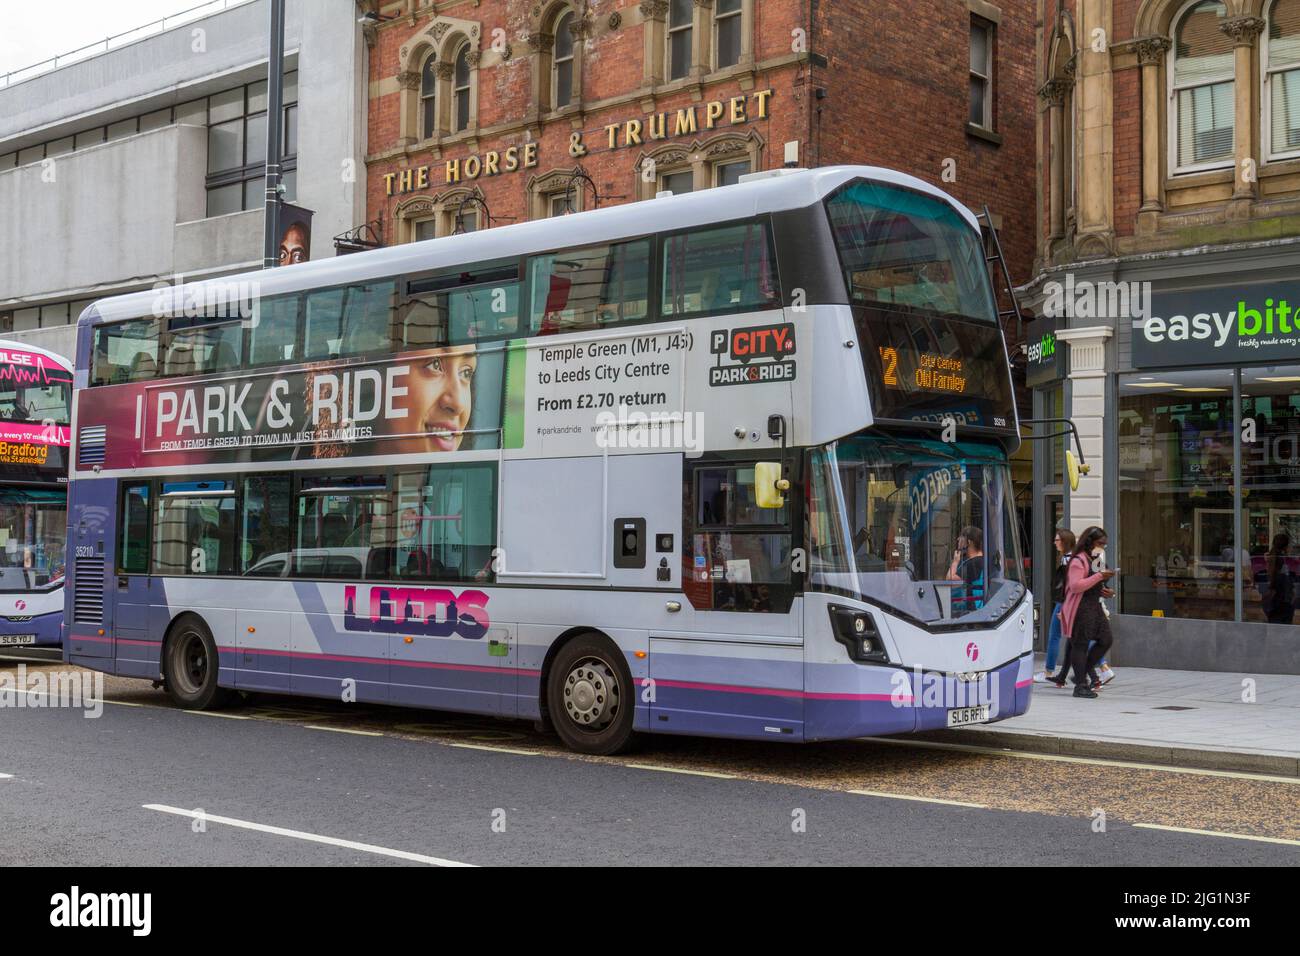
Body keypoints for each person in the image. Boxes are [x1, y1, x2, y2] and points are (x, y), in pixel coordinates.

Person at [1060, 526, 1117, 699]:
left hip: (1094, 606)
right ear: (1090, 541)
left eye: (1105, 545)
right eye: (1100, 543)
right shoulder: (1078, 560)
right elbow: (1076, 586)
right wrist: (1100, 577)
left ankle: (1080, 675)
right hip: (1080, 607)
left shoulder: (1095, 559)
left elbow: (1099, 582)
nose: (1102, 547)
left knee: (1106, 640)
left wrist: (1108, 591)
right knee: (1080, 645)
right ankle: (1081, 686)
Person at [1034, 528, 1075, 684]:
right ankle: (1103, 668)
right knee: (1079, 637)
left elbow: (1069, 585)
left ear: (1064, 542)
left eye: (1057, 540)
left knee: (1055, 636)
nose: (1055, 543)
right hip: (1067, 602)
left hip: (1065, 602)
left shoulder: (1067, 560)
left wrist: (1065, 607)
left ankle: (1048, 672)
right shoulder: (1071, 557)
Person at [947, 525, 985, 615]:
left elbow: (950, 580)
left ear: (968, 542)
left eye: (961, 537)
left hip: (972, 612)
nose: (957, 539)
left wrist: (955, 561)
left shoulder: (974, 563)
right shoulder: (982, 560)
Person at [1263, 533, 1296, 625]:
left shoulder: (1272, 559)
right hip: (1282, 602)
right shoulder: (1283, 561)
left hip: (1273, 602)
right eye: (1290, 545)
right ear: (1286, 546)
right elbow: (1284, 582)